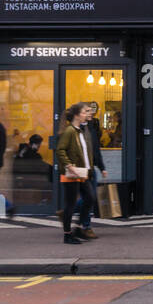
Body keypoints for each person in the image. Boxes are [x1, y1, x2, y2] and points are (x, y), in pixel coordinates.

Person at [55, 102, 97, 245]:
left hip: (82, 173)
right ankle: (67, 235)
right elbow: (60, 150)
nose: (87, 114)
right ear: (77, 115)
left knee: (90, 198)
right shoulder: (70, 131)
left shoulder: (80, 130)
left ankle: (78, 227)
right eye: (84, 112)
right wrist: (69, 165)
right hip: (72, 173)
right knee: (70, 205)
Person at [80, 102, 108, 238]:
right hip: (80, 168)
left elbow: (95, 148)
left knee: (90, 197)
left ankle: (67, 212)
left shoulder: (91, 127)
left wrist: (102, 167)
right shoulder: (74, 129)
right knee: (89, 197)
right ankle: (86, 226)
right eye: (87, 111)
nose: (91, 113)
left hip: (90, 168)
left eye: (91, 111)